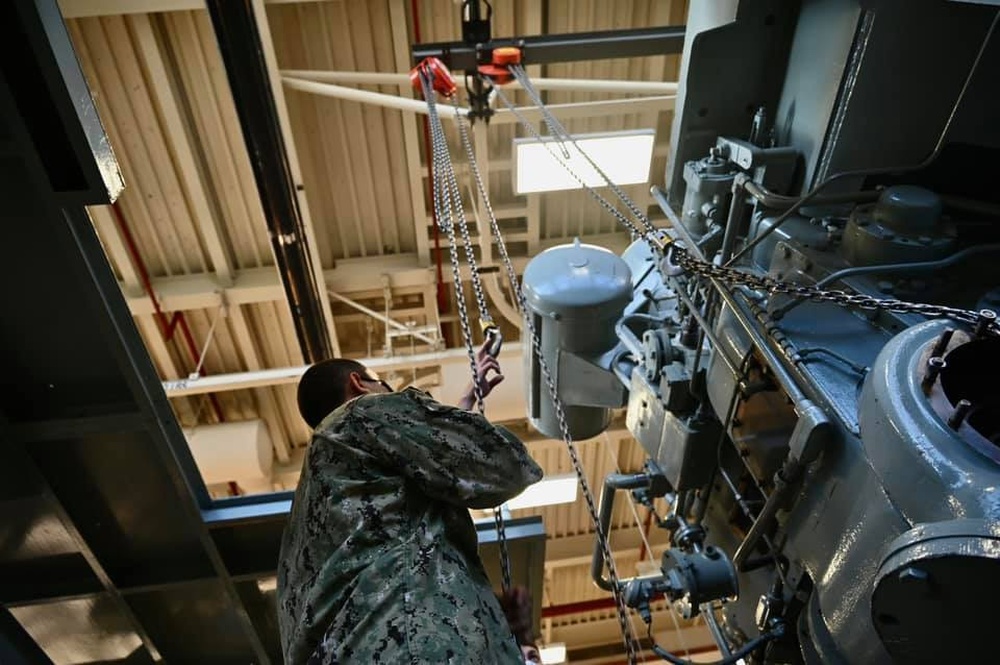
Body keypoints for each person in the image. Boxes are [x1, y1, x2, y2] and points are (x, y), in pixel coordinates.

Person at [278, 341, 544, 665]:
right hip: (410, 645)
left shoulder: (310, 510)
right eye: (383, 385)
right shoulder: (361, 412)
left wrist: (463, 404)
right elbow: (506, 465)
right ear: (358, 383)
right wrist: (447, 419)